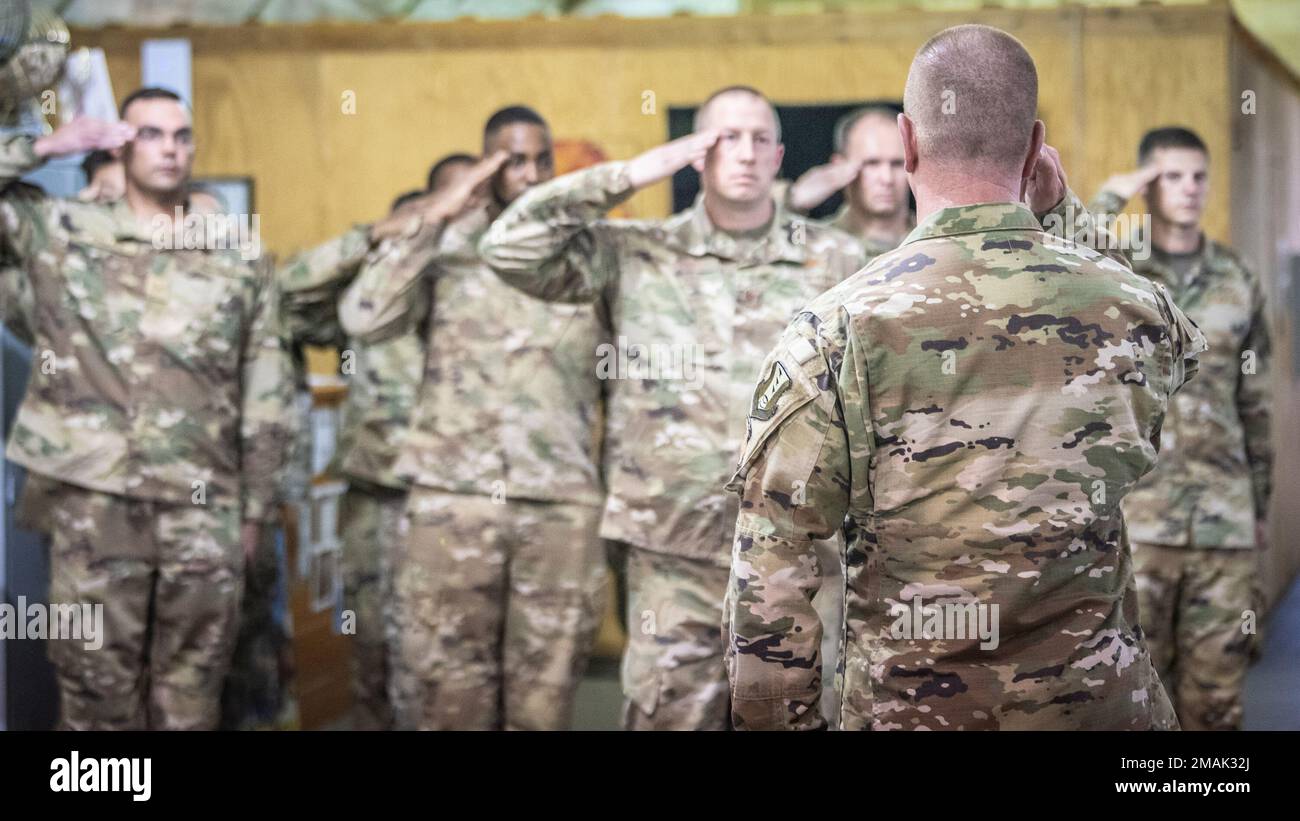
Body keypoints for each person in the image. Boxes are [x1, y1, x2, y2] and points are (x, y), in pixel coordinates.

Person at [722, 25, 1205, 731]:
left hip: (915, 712)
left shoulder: (837, 330)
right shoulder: (1127, 307)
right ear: (1036, 147)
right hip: (1100, 712)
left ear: (907, 142)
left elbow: (773, 569)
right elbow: (1183, 342)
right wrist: (1065, 218)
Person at [479, 86, 865, 730]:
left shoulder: (836, 260)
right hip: (671, 550)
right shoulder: (635, 254)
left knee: (795, 715)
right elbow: (509, 247)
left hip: (796, 550)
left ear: (778, 156)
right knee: (669, 714)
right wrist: (629, 174)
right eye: (724, 139)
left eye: (758, 139)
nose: (743, 154)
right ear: (694, 155)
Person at [0, 87, 295, 730]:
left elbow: (266, 384)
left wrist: (255, 511)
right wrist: (47, 144)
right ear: (119, 144)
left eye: (181, 135)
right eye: (151, 134)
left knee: (191, 694)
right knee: (95, 689)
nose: (169, 148)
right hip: (95, 501)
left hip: (202, 501)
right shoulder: (64, 232)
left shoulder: (236, 253)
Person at [338, 108, 610, 731]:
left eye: (542, 159)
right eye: (513, 159)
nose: (531, 173)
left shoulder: (588, 251)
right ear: (487, 165)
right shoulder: (445, 248)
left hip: (559, 505)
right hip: (453, 504)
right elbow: (363, 316)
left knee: (544, 701)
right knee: (448, 695)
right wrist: (435, 215)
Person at [1089, 127, 1273, 730]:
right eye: (1171, 176)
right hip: (1142, 519)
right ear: (1148, 183)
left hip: (1225, 517)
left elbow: (1256, 403)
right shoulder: (1120, 273)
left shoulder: (1236, 277)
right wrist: (1112, 199)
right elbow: (1053, 253)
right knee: (1138, 694)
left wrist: (1260, 504)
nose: (1189, 189)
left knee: (1217, 698)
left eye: (1198, 176)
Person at [786, 104, 914, 259]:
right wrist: (791, 202)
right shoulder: (811, 246)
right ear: (841, 167)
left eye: (898, 164)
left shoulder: (936, 241)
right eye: (871, 163)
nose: (887, 178)